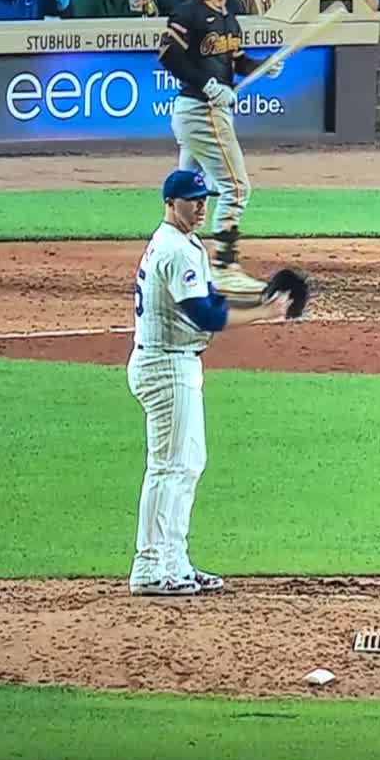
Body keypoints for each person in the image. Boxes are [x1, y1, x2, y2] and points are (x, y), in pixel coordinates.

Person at [126, 168, 292, 597]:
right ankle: (149, 567)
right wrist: (265, 314)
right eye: (192, 200)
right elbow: (205, 315)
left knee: (187, 465)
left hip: (173, 364)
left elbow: (213, 299)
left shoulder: (185, 244)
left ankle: (174, 561)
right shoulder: (175, 249)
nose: (201, 206)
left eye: (204, 199)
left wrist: (260, 301)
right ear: (170, 203)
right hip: (166, 367)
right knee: (170, 468)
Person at [158, 0, 279, 295]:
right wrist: (208, 85)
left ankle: (173, 259)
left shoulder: (229, 17)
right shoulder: (189, 12)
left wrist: (260, 67)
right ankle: (225, 267)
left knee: (189, 189)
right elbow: (168, 54)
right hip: (200, 110)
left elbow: (234, 59)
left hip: (205, 111)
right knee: (237, 187)